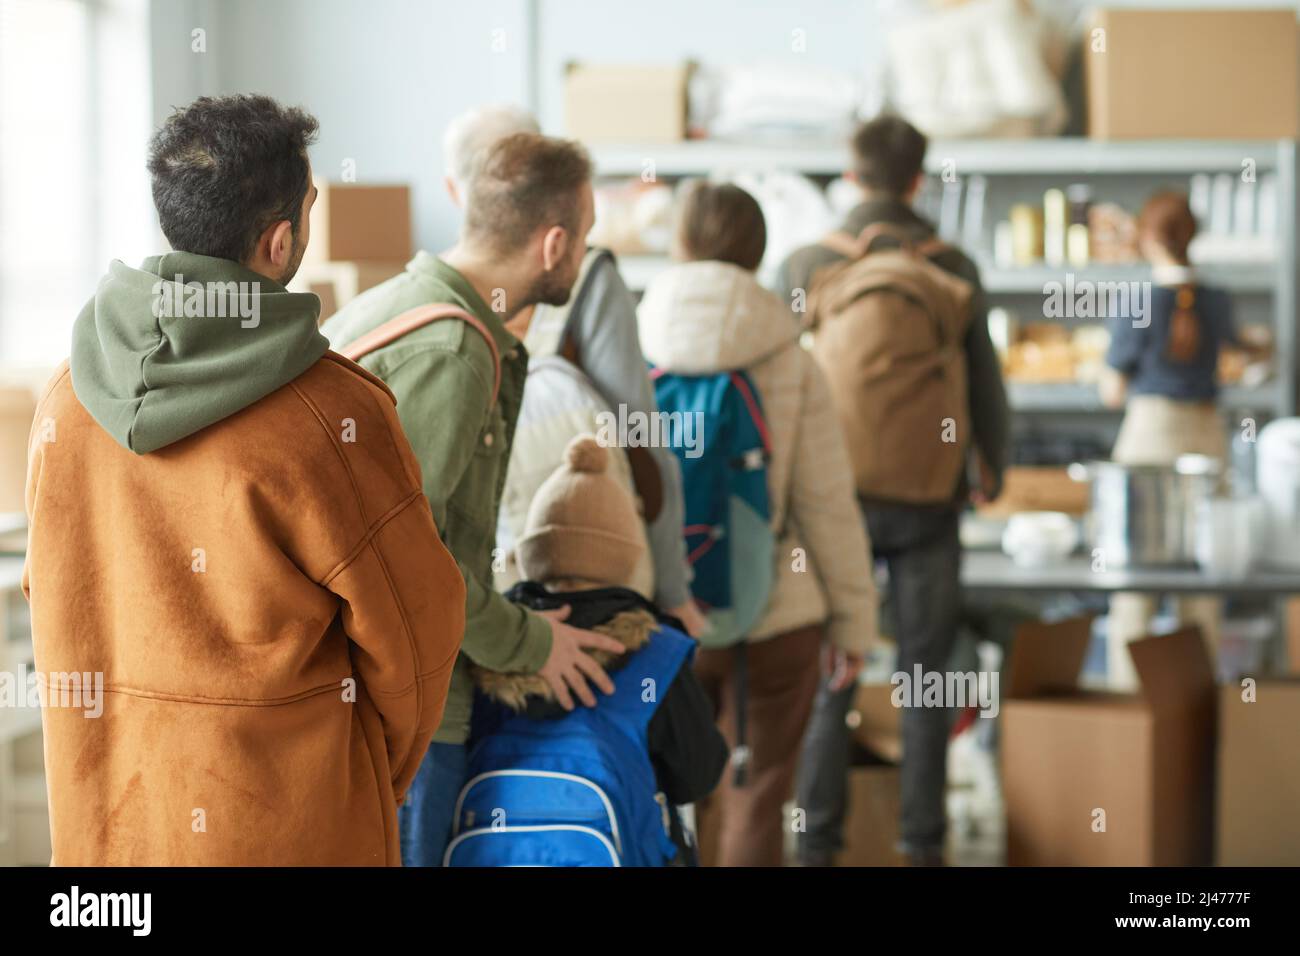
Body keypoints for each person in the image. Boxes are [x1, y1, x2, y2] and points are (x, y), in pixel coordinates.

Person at [23, 94, 466, 865]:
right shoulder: (332, 413)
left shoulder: (66, 396)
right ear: (281, 238)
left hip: (111, 833)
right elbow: (417, 638)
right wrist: (366, 777)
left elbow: (53, 595)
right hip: (290, 827)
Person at [322, 132, 627, 866]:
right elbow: (406, 560)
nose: (581, 258)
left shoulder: (399, 304)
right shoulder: (452, 351)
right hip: (402, 712)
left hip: (361, 696)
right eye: (584, 240)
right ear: (554, 244)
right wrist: (532, 643)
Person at [779, 114, 1010, 866]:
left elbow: (776, 377)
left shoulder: (808, 262)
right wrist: (989, 470)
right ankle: (923, 845)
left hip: (832, 501)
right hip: (928, 502)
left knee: (831, 675)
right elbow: (985, 382)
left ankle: (816, 848)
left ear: (851, 177)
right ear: (918, 179)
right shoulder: (956, 265)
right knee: (927, 680)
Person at [638, 182, 878, 867]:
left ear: (679, 244)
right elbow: (827, 504)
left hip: (659, 616)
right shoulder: (792, 358)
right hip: (778, 619)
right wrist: (855, 625)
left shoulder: (631, 341)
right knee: (758, 794)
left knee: (665, 795)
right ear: (759, 251)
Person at [441, 105, 701, 635]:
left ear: (453, 191)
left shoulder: (431, 297)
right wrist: (674, 592)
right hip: (594, 585)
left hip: (480, 604)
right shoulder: (587, 279)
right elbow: (641, 434)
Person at [447, 435, 728, 866]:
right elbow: (697, 775)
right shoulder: (657, 653)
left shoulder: (493, 646)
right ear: (625, 559)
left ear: (533, 554)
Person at [1100, 190, 1234, 688]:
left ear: (1149, 236)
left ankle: (1127, 699)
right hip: (1207, 433)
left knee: (1134, 577)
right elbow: (1242, 353)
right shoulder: (1218, 299)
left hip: (1150, 436)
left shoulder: (1137, 301)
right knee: (1203, 576)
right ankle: (1195, 702)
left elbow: (1112, 389)